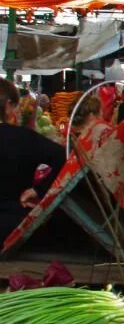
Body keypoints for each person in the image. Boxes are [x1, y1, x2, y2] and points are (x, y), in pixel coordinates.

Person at [0, 77, 66, 241]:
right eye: (15, 106)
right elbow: (63, 157)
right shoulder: (24, 138)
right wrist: (38, 190)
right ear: (8, 105)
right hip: (10, 223)